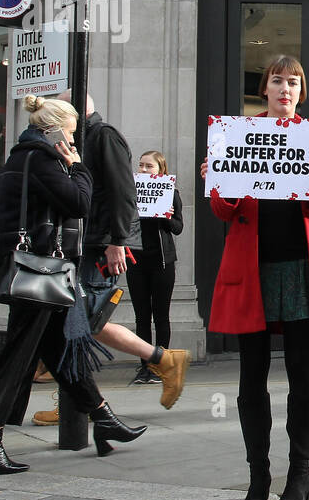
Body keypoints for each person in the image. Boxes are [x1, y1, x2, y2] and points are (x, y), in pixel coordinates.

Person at [201, 55, 309, 500]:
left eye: (293, 82)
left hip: (301, 270)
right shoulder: (236, 135)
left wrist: (308, 189)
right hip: (252, 271)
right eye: (276, 81)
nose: (284, 89)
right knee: (252, 377)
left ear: (300, 92)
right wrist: (219, 186)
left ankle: (299, 473)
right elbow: (224, 211)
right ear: (263, 89)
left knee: (302, 372)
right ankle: (258, 475)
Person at [0, 96, 146, 474]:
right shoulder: (41, 160)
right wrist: (79, 168)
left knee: (61, 349)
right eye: (69, 133)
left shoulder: (20, 157)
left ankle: (103, 418)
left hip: (37, 272)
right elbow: (80, 203)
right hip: (40, 274)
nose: (72, 141)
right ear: (53, 132)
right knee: (16, 358)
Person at [32, 95, 190, 424]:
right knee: (86, 322)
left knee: (80, 322)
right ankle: (159, 361)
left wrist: (118, 241)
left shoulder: (104, 136)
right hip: (84, 244)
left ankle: (81, 406)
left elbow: (123, 191)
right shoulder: (86, 139)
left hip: (98, 246)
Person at [125, 150, 183, 384]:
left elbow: (178, 227)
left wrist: (165, 217)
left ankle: (160, 366)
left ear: (161, 170)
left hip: (161, 262)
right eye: (141, 166)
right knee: (141, 317)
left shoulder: (171, 194)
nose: (144, 170)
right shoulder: (132, 193)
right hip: (137, 261)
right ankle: (144, 366)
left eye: (149, 166)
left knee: (161, 316)